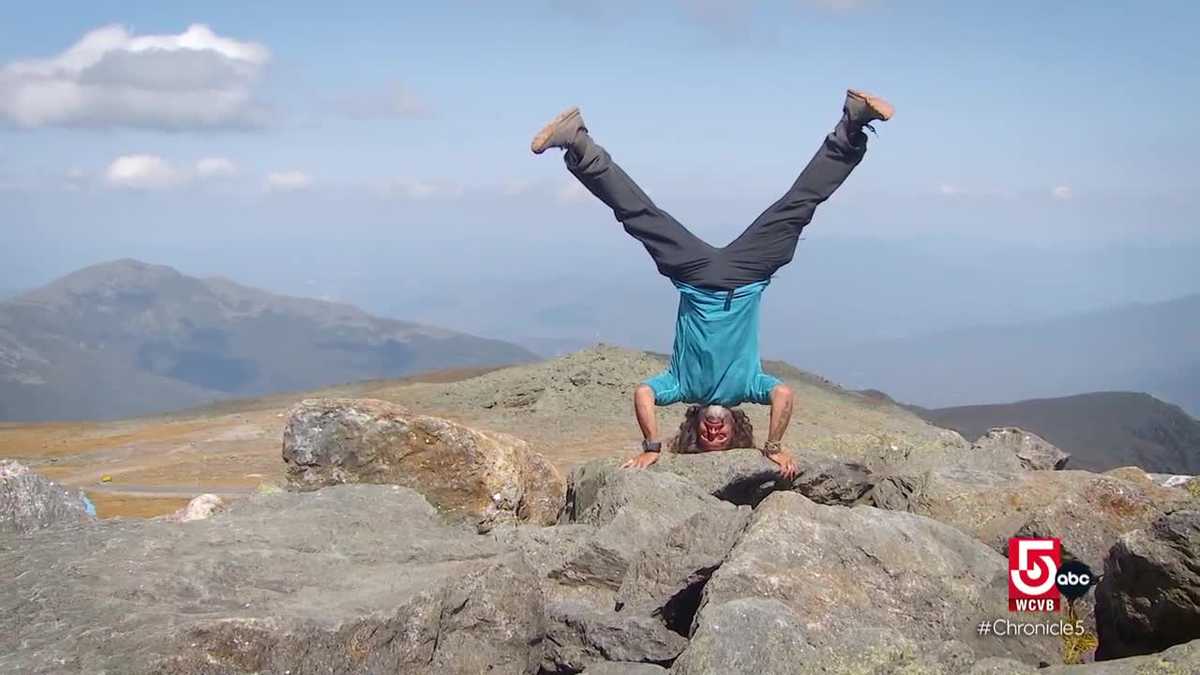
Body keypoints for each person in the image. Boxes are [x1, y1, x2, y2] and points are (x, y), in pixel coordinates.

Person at [530, 89, 893, 479]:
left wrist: (652, 446)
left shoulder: (680, 387)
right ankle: (852, 124)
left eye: (707, 437)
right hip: (749, 275)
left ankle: (578, 142)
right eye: (722, 437)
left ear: (694, 426)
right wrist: (773, 447)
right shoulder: (748, 388)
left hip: (694, 276)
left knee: (638, 215)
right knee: (797, 206)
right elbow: (783, 395)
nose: (714, 432)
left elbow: (644, 394)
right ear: (737, 427)